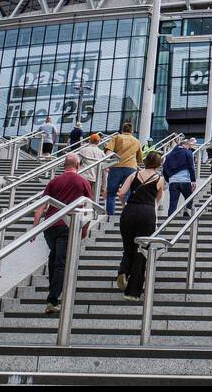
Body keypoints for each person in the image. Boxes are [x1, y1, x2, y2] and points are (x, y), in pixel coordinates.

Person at [31, 153, 94, 316]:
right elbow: (89, 207)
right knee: (61, 261)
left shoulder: (54, 181)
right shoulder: (83, 181)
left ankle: (53, 291)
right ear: (78, 166)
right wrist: (85, 228)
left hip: (50, 226)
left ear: (64, 165)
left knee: (54, 257)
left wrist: (35, 228)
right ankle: (52, 299)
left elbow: (41, 206)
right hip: (68, 225)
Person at [115, 151, 164, 301]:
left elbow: (121, 193)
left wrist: (125, 206)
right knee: (141, 251)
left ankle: (123, 271)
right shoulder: (159, 179)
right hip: (147, 213)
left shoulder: (134, 174)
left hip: (130, 211)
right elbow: (158, 200)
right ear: (158, 164)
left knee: (128, 246)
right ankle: (132, 292)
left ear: (145, 161)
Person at [104, 123, 142, 217]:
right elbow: (140, 159)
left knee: (112, 193)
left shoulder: (116, 138)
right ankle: (128, 215)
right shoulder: (136, 141)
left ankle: (110, 215)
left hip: (116, 166)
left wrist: (107, 163)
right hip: (131, 168)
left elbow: (108, 151)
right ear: (131, 131)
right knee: (129, 193)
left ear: (122, 130)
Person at [161, 137, 197, 214]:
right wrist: (193, 180)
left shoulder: (170, 155)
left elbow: (164, 168)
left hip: (173, 182)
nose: (189, 148)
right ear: (185, 145)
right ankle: (186, 215)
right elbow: (191, 167)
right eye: (188, 146)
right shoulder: (188, 153)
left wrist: (168, 179)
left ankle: (169, 221)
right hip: (185, 181)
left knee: (173, 204)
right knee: (189, 200)